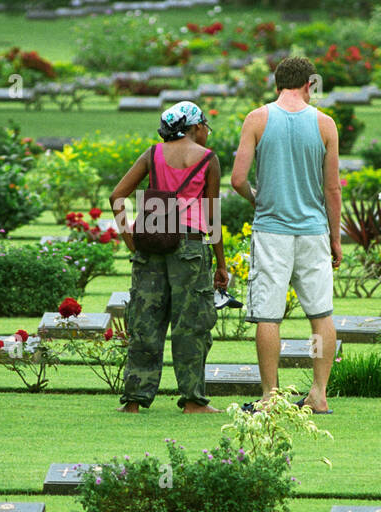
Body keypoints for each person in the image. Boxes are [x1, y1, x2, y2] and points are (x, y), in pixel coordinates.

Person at [230, 56, 342, 414]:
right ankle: (319, 394)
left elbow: (237, 179)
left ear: (276, 83)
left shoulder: (257, 119)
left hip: (272, 230)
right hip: (313, 231)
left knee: (268, 315)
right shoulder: (326, 125)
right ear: (310, 83)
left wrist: (257, 199)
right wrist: (335, 239)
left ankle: (269, 397)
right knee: (320, 315)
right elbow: (332, 189)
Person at [109, 102, 229, 413]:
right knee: (191, 325)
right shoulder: (208, 159)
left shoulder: (153, 154)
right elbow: (212, 217)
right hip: (190, 249)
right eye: (205, 125)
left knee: (145, 322)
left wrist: (130, 241)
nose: (206, 131)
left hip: (151, 243)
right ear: (195, 126)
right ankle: (192, 400)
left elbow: (116, 197)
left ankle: (134, 401)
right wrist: (221, 265)